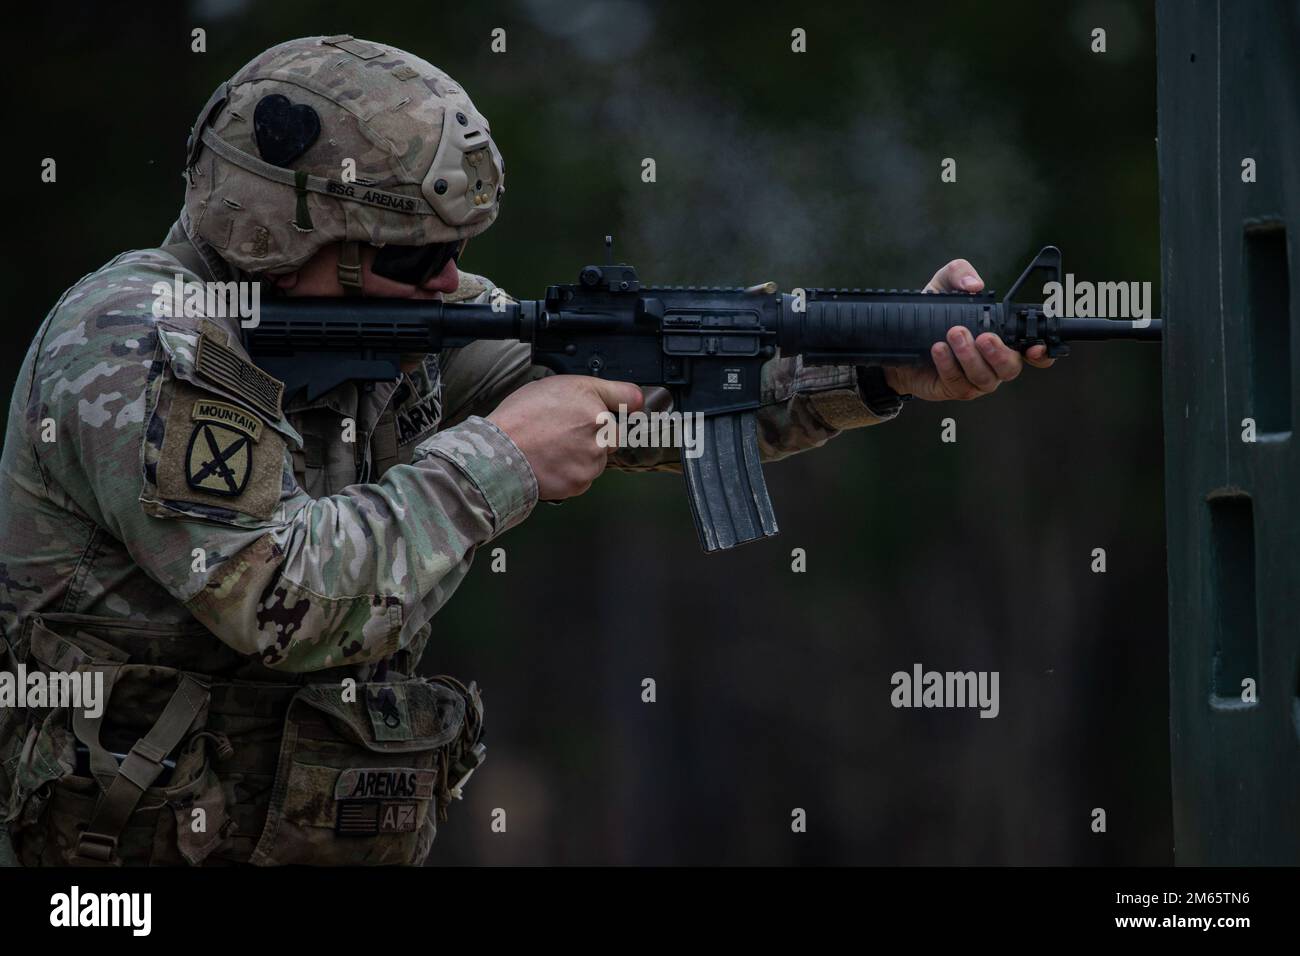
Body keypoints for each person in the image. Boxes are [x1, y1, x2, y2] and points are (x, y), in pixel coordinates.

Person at [0, 35, 1053, 867]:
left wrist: (871, 370)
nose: (452, 282)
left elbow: (641, 406)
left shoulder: (398, 321)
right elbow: (281, 595)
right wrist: (501, 459)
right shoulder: (140, 337)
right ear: (279, 231)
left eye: (457, 251)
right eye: (416, 254)